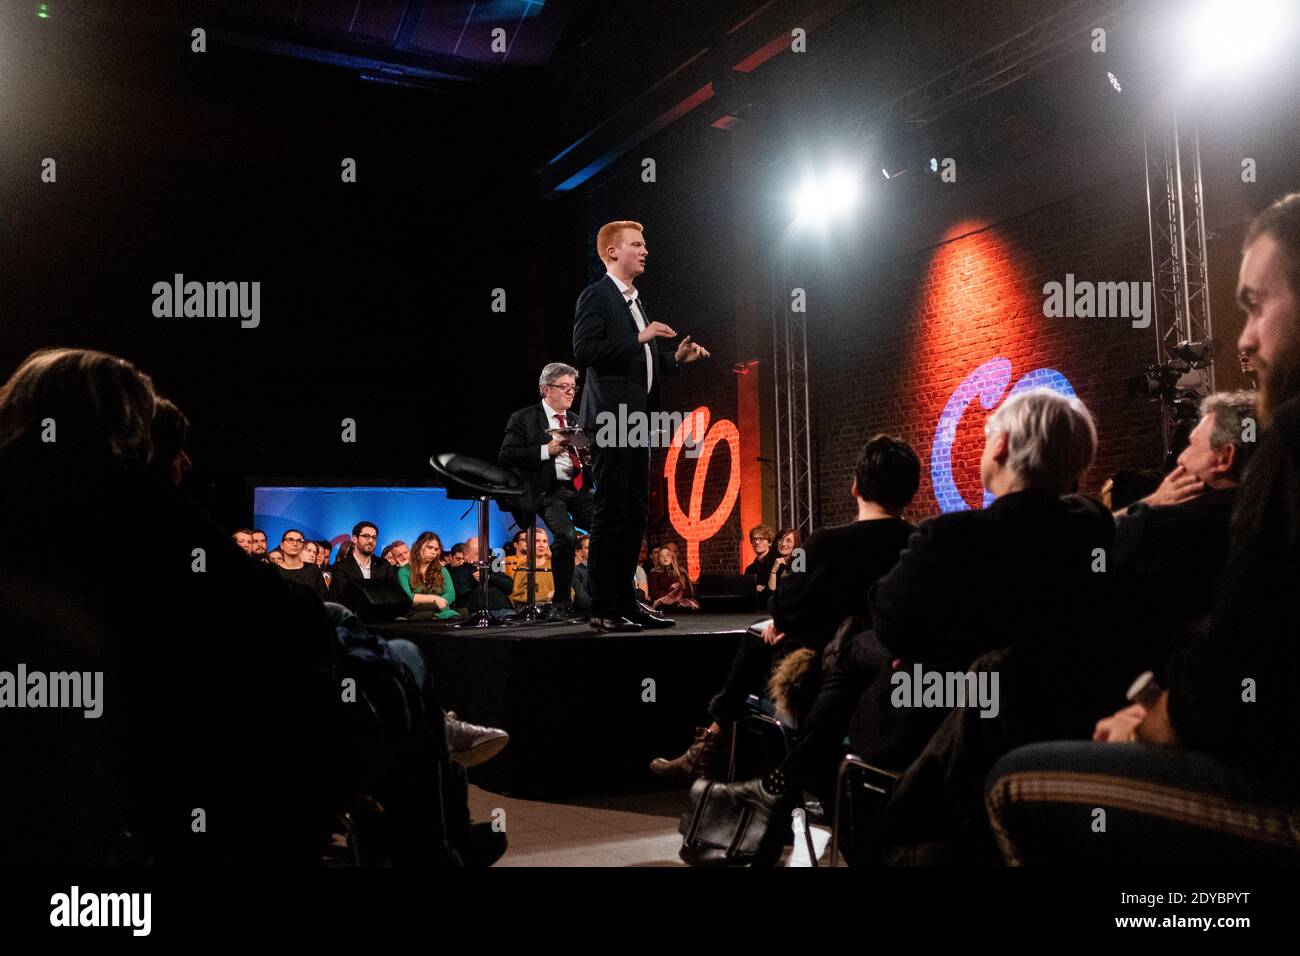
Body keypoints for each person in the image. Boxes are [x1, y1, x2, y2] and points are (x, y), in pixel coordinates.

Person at [986, 194, 1300, 865]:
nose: (1242, 338)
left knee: (1010, 782)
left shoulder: (1286, 449)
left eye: (1254, 305)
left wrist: (1152, 718)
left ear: (1222, 457)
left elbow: (1233, 674)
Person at [652, 436, 921, 787]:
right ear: (911, 491)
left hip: (825, 661)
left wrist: (784, 621)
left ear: (855, 486)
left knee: (756, 637)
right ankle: (710, 746)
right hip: (893, 668)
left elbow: (785, 601)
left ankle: (709, 745)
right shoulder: (918, 543)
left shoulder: (828, 542)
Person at [573, 219, 710, 633]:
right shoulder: (597, 296)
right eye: (637, 244)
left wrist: (672, 360)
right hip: (610, 419)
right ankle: (602, 607)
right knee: (611, 510)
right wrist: (639, 338)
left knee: (635, 512)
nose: (645, 251)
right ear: (613, 252)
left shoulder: (634, 301)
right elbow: (585, 350)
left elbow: (639, 364)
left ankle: (626, 603)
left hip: (636, 422)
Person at [500, 362, 596, 621]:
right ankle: (562, 602)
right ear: (546, 390)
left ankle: (607, 597)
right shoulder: (524, 418)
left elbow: (586, 457)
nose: (570, 392)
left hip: (578, 488)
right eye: (564, 387)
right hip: (548, 491)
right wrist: (546, 450)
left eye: (573, 387)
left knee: (608, 528)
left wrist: (589, 457)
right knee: (566, 537)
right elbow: (506, 455)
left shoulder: (576, 420)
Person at [329, 520, 396, 607]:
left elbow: (392, 594)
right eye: (366, 536)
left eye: (374, 537)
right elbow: (343, 597)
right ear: (354, 539)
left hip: (381, 615)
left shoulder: (384, 565)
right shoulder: (340, 567)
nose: (371, 541)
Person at [397, 532, 460, 621]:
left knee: (454, 617)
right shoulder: (404, 571)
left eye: (436, 549)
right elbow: (407, 597)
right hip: (416, 613)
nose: (433, 552)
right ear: (419, 547)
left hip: (441, 610)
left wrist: (439, 603)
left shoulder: (442, 570)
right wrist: (434, 599)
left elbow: (451, 594)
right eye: (429, 547)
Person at [448, 536, 514, 614]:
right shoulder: (458, 571)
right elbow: (462, 592)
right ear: (466, 555)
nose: (483, 557)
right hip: (475, 612)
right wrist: (476, 577)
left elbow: (509, 586)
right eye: (478, 554)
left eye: (485, 553)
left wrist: (489, 577)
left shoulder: (492, 567)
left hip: (504, 610)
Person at [276, 529, 329, 602]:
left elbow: (324, 599)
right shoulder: (274, 571)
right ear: (282, 545)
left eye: (299, 541)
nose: (295, 544)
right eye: (290, 540)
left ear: (302, 546)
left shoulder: (313, 569)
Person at [508, 528, 555, 608]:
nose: (541, 545)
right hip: (531, 611)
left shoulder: (556, 566)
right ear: (529, 544)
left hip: (556, 610)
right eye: (537, 541)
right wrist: (546, 595)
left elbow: (569, 591)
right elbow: (518, 595)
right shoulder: (522, 568)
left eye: (544, 541)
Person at [754, 528, 800, 603]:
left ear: (795, 544)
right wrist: (774, 570)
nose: (783, 544)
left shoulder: (799, 561)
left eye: (788, 541)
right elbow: (770, 593)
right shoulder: (769, 562)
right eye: (781, 539)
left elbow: (796, 591)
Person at [648, 546, 700, 611]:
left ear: (672, 557)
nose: (664, 557)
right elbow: (654, 594)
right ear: (659, 559)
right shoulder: (654, 574)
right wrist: (672, 591)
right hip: (663, 605)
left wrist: (679, 588)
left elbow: (688, 593)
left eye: (668, 555)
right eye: (661, 556)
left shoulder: (681, 573)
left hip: (681, 605)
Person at [572, 534, 593, 613]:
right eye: (588, 548)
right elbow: (582, 600)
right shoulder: (575, 571)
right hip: (584, 617)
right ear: (580, 552)